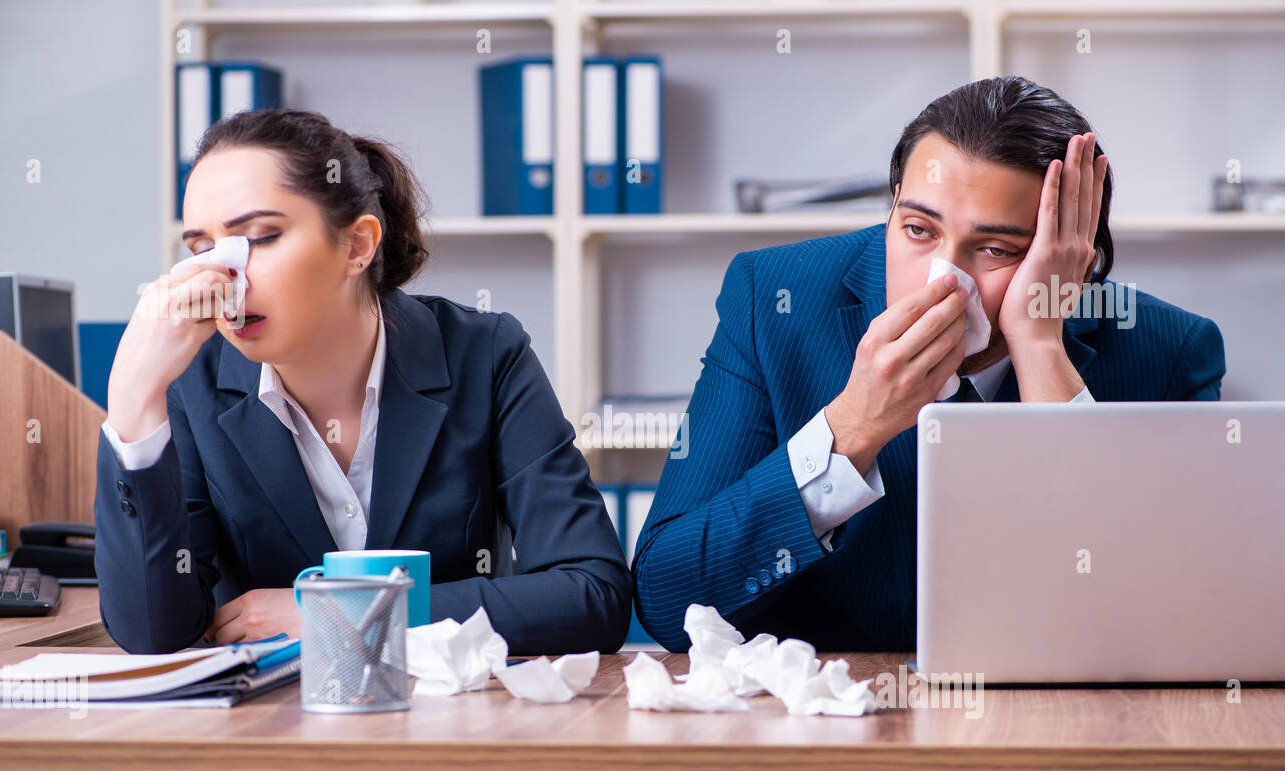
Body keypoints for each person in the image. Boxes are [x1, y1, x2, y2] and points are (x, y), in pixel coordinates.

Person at [632, 76, 1226, 653]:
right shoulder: (774, 301)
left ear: (1073, 255)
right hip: (830, 726)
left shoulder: (1171, 350)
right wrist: (852, 430)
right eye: (918, 229)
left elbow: (1171, 625)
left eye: (995, 249)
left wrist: (1041, 345)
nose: (943, 280)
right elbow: (667, 603)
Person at [96, 108, 631, 655]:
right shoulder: (192, 386)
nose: (223, 278)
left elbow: (592, 595)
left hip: (455, 724)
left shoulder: (485, 354)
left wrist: (347, 612)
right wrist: (133, 401)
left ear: (357, 246)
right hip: (271, 729)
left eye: (259, 237)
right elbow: (151, 633)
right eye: (202, 250)